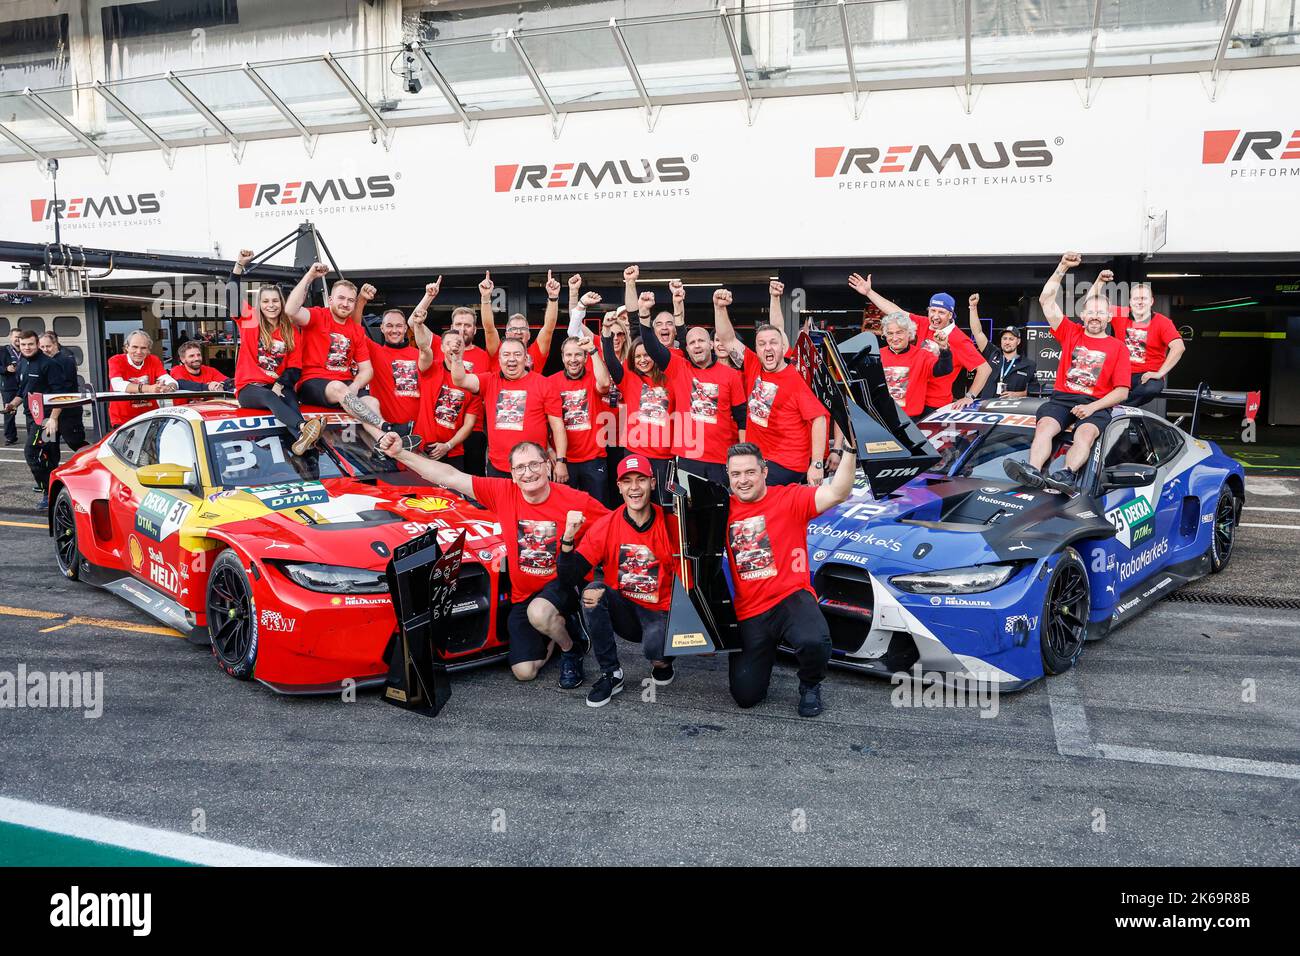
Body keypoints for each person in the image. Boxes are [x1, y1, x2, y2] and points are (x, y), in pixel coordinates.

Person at [377, 435, 608, 687]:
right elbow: (448, 475)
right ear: (511, 473)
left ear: (548, 465)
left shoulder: (575, 500)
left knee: (539, 612)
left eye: (534, 464)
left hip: (562, 586)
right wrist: (400, 454)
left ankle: (571, 648)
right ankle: (556, 628)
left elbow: (615, 527)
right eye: (520, 467)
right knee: (524, 671)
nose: (528, 473)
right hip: (524, 595)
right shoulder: (502, 493)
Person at [724, 441, 857, 717]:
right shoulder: (719, 509)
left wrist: (851, 451)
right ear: (728, 476)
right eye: (736, 474)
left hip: (790, 597)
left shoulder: (790, 498)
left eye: (750, 472)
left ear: (764, 472)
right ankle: (764, 654)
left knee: (814, 641)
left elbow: (838, 492)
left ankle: (810, 684)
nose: (743, 480)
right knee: (745, 697)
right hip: (750, 610)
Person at [558, 454, 679, 707]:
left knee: (654, 649)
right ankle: (611, 673)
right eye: (627, 481)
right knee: (592, 593)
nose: (635, 487)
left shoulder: (671, 524)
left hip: (659, 612)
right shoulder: (606, 525)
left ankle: (661, 661)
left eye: (641, 480)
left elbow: (692, 576)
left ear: (652, 483)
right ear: (619, 487)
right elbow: (570, 576)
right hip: (624, 610)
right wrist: (568, 539)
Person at [1004, 252, 1131, 491]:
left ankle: (1066, 475)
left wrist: (1091, 408)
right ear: (1083, 315)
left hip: (1096, 404)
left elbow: (1122, 391)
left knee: (1084, 434)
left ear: (1109, 317)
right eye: (1090, 312)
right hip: (1062, 399)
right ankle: (1032, 471)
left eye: (1100, 312)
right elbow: (1046, 301)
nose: (1095, 316)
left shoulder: (1118, 348)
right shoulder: (1071, 332)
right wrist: (1062, 267)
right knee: (1045, 427)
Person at [284, 262, 418, 451]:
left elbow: (366, 370)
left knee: (371, 401)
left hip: (345, 386)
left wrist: (355, 386)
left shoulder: (355, 330)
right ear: (330, 300)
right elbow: (290, 310)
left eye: (350, 300)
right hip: (313, 383)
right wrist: (310, 276)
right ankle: (388, 427)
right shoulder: (317, 316)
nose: (346, 304)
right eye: (341, 298)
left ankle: (382, 442)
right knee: (339, 388)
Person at [713, 283, 830, 486]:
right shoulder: (752, 364)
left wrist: (817, 464)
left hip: (788, 463)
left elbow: (819, 419)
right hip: (761, 459)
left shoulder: (796, 378)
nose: (768, 347)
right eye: (762, 344)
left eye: (773, 343)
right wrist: (719, 308)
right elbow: (727, 338)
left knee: (748, 491)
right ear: (756, 349)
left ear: (783, 346)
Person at [638, 297, 745, 487]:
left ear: (711, 344)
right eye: (692, 342)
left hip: (721, 459)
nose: (697, 345)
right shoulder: (679, 368)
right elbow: (652, 347)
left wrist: (744, 455)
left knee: (719, 512)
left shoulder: (731, 375)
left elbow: (741, 418)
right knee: (688, 512)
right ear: (686, 348)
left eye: (701, 341)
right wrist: (645, 315)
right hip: (688, 458)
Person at [848, 273, 992, 413]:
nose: (935, 316)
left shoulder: (959, 339)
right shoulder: (924, 324)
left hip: (936, 405)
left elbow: (985, 369)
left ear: (950, 315)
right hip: (913, 400)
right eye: (932, 310)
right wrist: (869, 292)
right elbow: (896, 312)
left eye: (941, 312)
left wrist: (969, 397)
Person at [228, 250, 320, 457]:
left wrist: (281, 384)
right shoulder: (249, 320)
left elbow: (295, 368)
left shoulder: (292, 331)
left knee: (289, 399)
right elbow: (232, 295)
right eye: (266, 301)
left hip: (276, 385)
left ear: (282, 303)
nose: (271, 306)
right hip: (249, 389)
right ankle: (304, 428)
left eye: (275, 301)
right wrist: (239, 266)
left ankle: (304, 445)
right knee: (270, 396)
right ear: (259, 304)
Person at [448, 335, 565, 480]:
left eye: (517, 354)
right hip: (498, 467)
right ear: (499, 360)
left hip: (533, 468)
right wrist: (457, 359)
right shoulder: (489, 381)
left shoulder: (544, 384)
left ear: (526, 358)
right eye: (506, 354)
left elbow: (557, 426)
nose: (512, 359)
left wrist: (561, 461)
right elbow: (460, 380)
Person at [354, 280, 442, 433]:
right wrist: (361, 299)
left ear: (405, 328)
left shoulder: (418, 354)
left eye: (399, 326)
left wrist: (428, 297)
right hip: (387, 431)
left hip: (419, 432)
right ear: (381, 328)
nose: (394, 330)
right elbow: (354, 328)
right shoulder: (375, 352)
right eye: (389, 325)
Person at [1089, 271, 1185, 407]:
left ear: (1151, 301)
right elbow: (1093, 302)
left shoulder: (1163, 322)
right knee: (1090, 380)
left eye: (1144, 298)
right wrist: (1100, 281)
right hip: (1121, 372)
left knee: (1151, 388)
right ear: (1130, 301)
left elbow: (1179, 347)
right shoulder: (1121, 314)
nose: (1139, 302)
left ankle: (1117, 408)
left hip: (1147, 376)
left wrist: (1159, 373)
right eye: (1136, 299)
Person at [548, 331, 612, 502]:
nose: (573, 359)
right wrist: (550, 452)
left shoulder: (594, 378)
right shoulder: (550, 383)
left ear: (585, 358)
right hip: (563, 461)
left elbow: (605, 384)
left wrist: (593, 351)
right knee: (564, 510)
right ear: (562, 358)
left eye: (578, 354)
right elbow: (543, 421)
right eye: (568, 355)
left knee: (598, 510)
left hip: (593, 459)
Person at [4, 330, 62, 509]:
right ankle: (52, 490)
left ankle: (49, 491)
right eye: (23, 345)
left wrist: (53, 419)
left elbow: (60, 395)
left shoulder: (49, 365)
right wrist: (12, 404)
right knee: (46, 455)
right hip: (31, 417)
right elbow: (23, 391)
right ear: (19, 345)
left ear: (37, 344)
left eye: (30, 344)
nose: (27, 347)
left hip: (46, 420)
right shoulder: (22, 364)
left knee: (31, 452)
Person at [413, 325, 480, 470]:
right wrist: (418, 325)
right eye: (449, 343)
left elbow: (469, 424)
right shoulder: (431, 369)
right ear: (442, 348)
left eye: (458, 343)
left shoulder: (471, 381)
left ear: (463, 348)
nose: (453, 347)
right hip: (423, 449)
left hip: (453, 452)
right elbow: (424, 349)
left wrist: (448, 445)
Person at [480, 270, 560, 374]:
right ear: (506, 334)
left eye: (523, 329)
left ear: (529, 335)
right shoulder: (498, 351)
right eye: (513, 329)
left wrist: (553, 297)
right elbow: (489, 329)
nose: (518, 332)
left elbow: (549, 328)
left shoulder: (535, 353)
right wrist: (485, 297)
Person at [879, 312, 953, 417]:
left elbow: (944, 369)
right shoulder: (877, 355)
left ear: (909, 334)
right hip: (882, 419)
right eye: (890, 333)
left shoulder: (921, 355)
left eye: (899, 332)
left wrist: (944, 348)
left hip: (912, 421)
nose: (894, 338)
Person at [966, 294, 1035, 399]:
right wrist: (973, 308)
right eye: (1005, 338)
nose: (1007, 342)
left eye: (1011, 339)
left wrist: (1017, 394)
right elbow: (977, 332)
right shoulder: (992, 353)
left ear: (1018, 341)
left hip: (1011, 411)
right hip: (986, 408)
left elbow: (1034, 390)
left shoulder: (1028, 365)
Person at [107, 330, 176, 429]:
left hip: (150, 416)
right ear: (127, 347)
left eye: (143, 348)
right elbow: (117, 385)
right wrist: (149, 388)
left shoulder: (153, 360)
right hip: (123, 419)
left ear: (148, 350)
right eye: (135, 347)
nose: (139, 352)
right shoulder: (116, 360)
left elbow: (167, 378)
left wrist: (170, 387)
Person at [38, 332, 87, 451]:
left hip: (68, 412)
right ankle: (51, 469)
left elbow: (64, 390)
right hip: (48, 413)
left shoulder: (66, 361)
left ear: (55, 344)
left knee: (76, 443)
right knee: (49, 445)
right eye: (42, 347)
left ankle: (95, 463)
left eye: (48, 346)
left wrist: (54, 417)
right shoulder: (42, 363)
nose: (45, 350)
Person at [623, 265, 684, 353]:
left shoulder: (685, 353)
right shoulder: (646, 353)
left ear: (675, 330)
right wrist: (630, 282)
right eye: (659, 324)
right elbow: (634, 321)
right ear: (653, 331)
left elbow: (680, 324)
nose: (664, 327)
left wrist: (678, 298)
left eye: (669, 323)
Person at [3, 329, 20, 445]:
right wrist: (6, 369)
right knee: (10, 411)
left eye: (20, 337)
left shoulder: (26, 350)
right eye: (15, 337)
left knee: (33, 410)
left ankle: (35, 434)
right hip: (9, 386)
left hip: (25, 384)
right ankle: (10, 437)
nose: (18, 339)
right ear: (10, 337)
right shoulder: (3, 350)